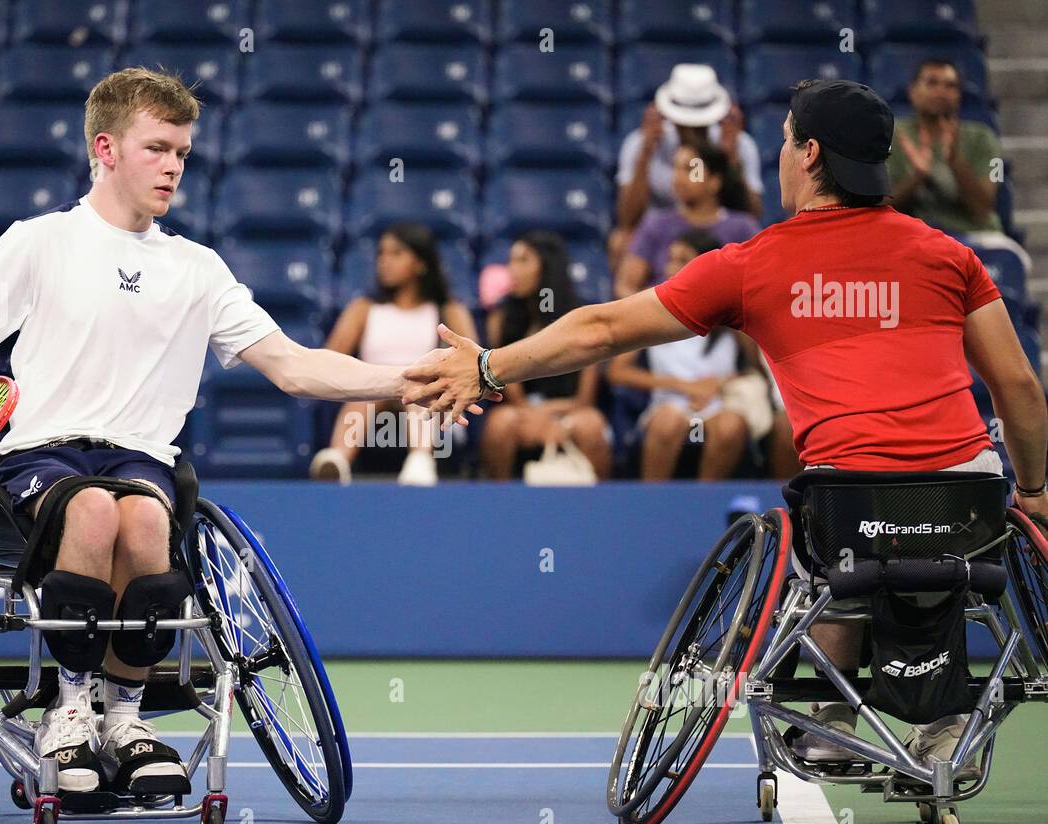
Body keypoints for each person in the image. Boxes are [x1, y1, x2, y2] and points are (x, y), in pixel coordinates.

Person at [403, 79, 1048, 773]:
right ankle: (946, 723)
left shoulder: (755, 265)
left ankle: (831, 716)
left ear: (808, 154)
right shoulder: (948, 254)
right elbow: (1018, 389)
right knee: (931, 526)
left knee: (831, 538)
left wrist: (491, 367)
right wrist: (1034, 491)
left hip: (849, 511)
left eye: (782, 141)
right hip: (968, 508)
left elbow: (603, 327)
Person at [0, 67, 486, 795]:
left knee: (144, 517)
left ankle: (125, 718)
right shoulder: (40, 243)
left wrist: (405, 380)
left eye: (183, 151)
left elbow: (295, 367)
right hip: (37, 459)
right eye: (158, 147)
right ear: (105, 149)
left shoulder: (197, 269)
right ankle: (69, 712)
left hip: (140, 459)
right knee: (94, 506)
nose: (174, 164)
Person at [309, 222, 477, 486]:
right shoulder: (363, 308)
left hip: (429, 396)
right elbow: (330, 360)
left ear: (421, 263)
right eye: (381, 254)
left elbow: (472, 363)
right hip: (372, 392)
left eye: (396, 254)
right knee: (363, 399)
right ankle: (337, 461)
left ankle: (421, 461)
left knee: (416, 393)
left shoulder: (449, 310)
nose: (384, 261)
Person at [608, 229, 752, 480]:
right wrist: (683, 386)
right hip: (669, 403)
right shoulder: (651, 311)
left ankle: (705, 503)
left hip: (717, 405)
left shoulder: (732, 313)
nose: (670, 268)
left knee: (732, 425)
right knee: (669, 422)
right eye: (670, 259)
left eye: (681, 260)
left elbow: (755, 369)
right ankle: (653, 500)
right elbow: (617, 372)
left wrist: (718, 385)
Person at [609, 64, 764, 277]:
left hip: (719, 228)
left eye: (700, 122)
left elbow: (752, 214)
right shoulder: (640, 142)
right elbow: (626, 218)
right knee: (621, 240)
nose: (691, 128)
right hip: (658, 230)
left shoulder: (739, 144)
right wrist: (645, 154)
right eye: (683, 121)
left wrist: (732, 161)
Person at [479, 231, 612, 481]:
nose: (512, 270)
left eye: (523, 261)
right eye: (511, 261)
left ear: (547, 266)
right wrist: (535, 416)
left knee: (590, 425)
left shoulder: (582, 317)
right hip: (522, 411)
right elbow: (507, 385)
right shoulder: (502, 318)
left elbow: (585, 398)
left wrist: (551, 418)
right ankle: (497, 504)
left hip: (571, 409)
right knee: (500, 423)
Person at [615, 141, 759, 299]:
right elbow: (625, 286)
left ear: (714, 182)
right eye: (676, 168)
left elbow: (758, 285)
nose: (678, 178)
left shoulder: (743, 228)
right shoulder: (655, 224)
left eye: (690, 169)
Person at [887, 59, 1002, 237]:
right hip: (913, 237)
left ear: (958, 96)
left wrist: (955, 161)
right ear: (913, 91)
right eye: (932, 82)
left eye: (950, 85)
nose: (941, 91)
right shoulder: (891, 135)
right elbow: (879, 206)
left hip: (976, 236)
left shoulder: (983, 136)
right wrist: (917, 177)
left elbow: (982, 210)